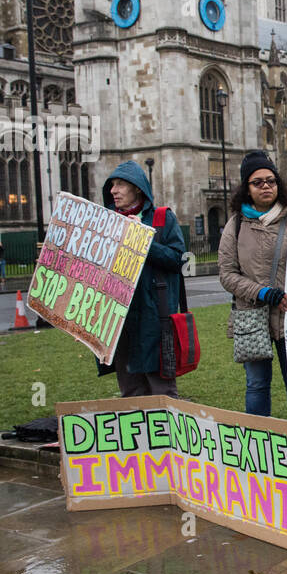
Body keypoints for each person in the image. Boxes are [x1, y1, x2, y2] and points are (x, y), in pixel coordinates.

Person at [218, 151, 287, 424]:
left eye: (270, 180)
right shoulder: (235, 226)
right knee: (257, 385)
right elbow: (226, 274)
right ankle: (260, 447)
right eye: (257, 182)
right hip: (252, 317)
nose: (266, 186)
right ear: (246, 189)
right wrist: (262, 292)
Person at [98, 161, 185, 397]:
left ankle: (166, 434)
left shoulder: (161, 218)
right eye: (112, 185)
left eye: (120, 184)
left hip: (154, 319)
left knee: (161, 391)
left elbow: (178, 259)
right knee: (131, 391)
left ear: (137, 188)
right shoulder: (106, 222)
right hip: (120, 319)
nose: (113, 190)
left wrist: (143, 240)